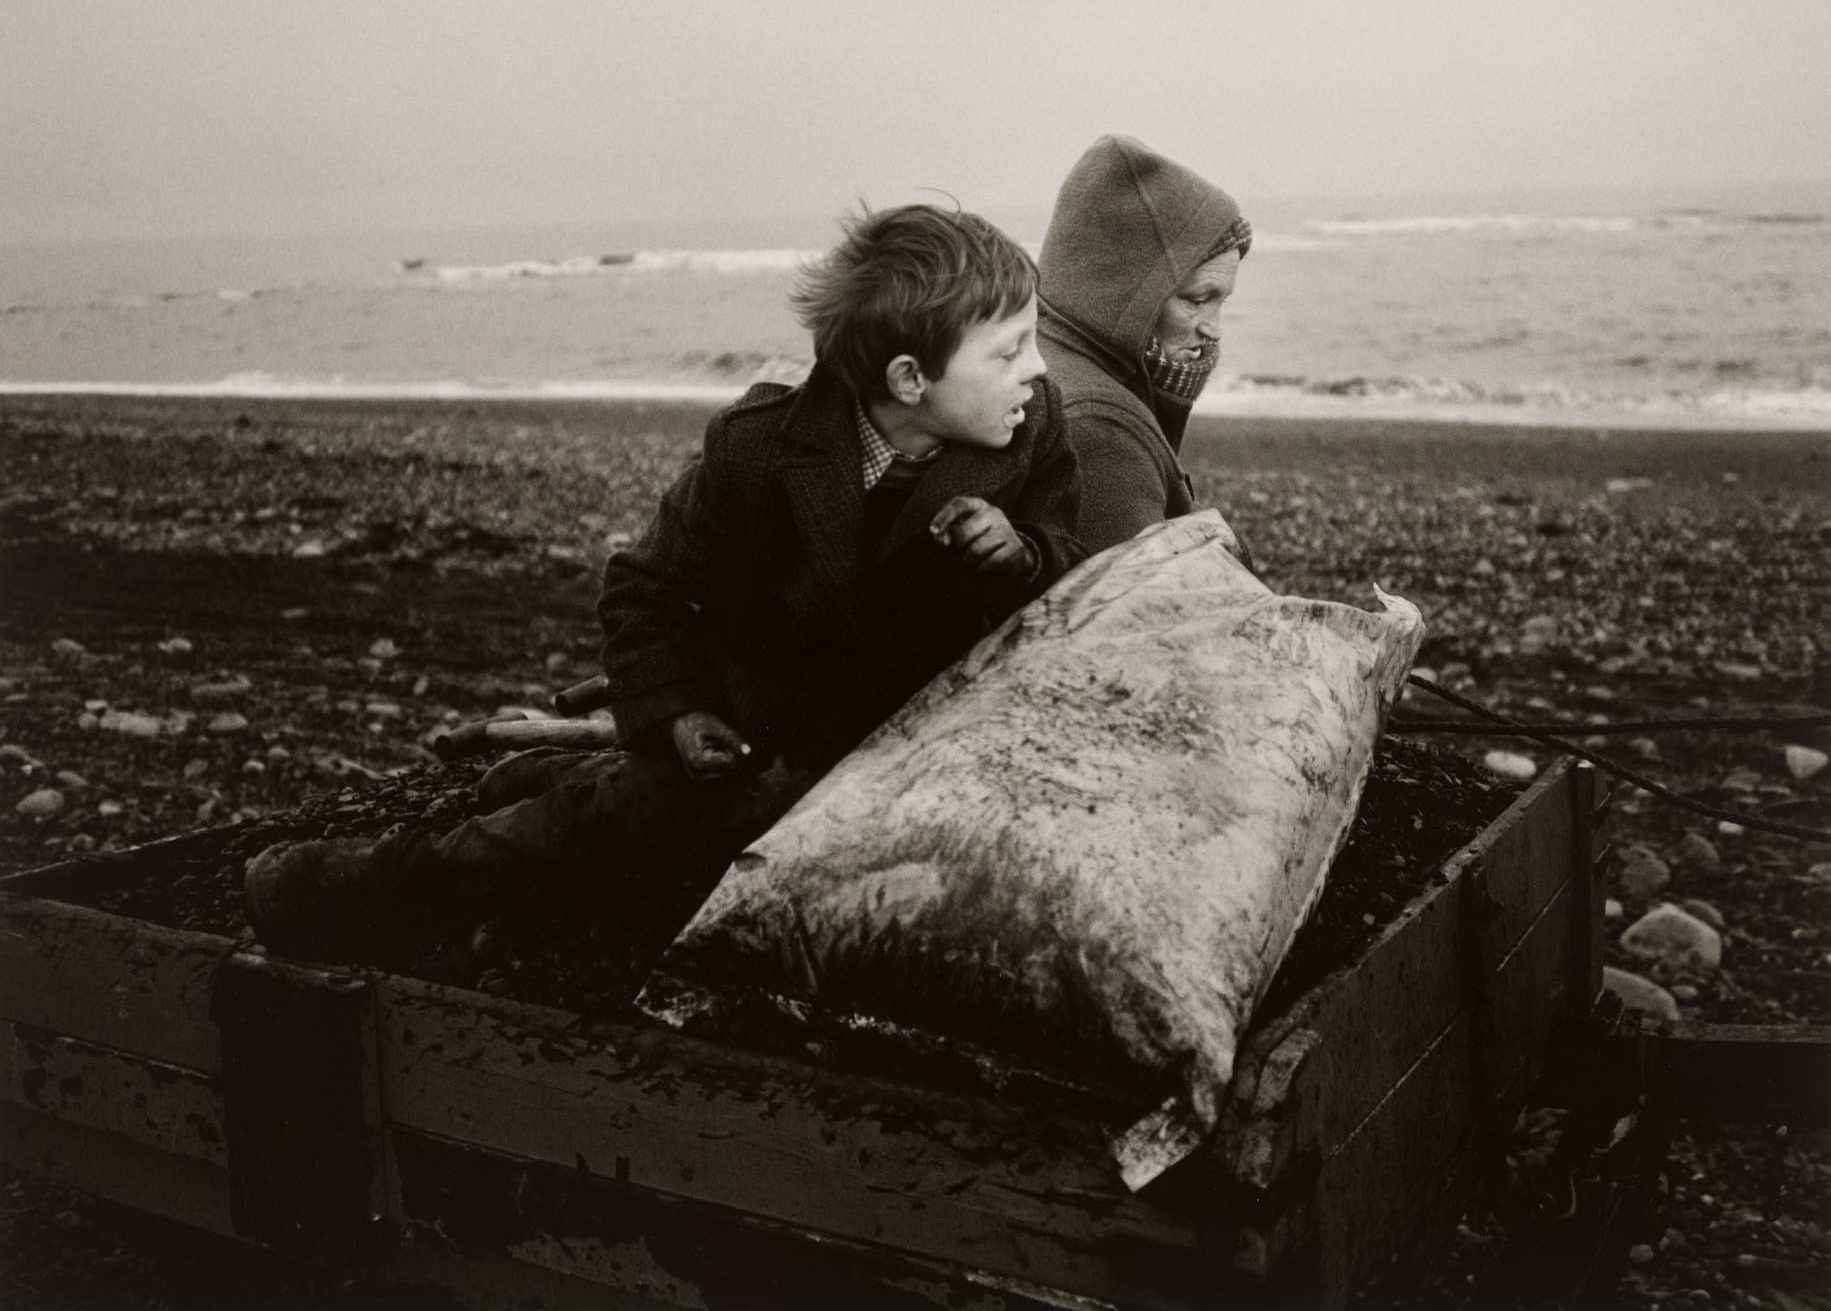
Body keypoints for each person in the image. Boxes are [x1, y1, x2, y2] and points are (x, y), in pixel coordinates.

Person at [244, 205, 1084, 956]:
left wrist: (1020, 558)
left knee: (719, 870)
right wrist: (679, 714)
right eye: (1010, 350)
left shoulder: (1028, 433)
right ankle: (358, 883)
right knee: (631, 821)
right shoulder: (758, 451)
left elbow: (1076, 578)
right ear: (908, 380)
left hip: (910, 749)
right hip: (748, 737)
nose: (1039, 370)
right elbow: (642, 589)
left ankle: (541, 782)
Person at [1036, 134, 1252, 553]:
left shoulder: (1043, 350)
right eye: (1197, 300)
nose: (1214, 329)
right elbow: (1151, 591)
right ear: (1128, 288)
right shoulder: (1099, 425)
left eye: (1221, 302)